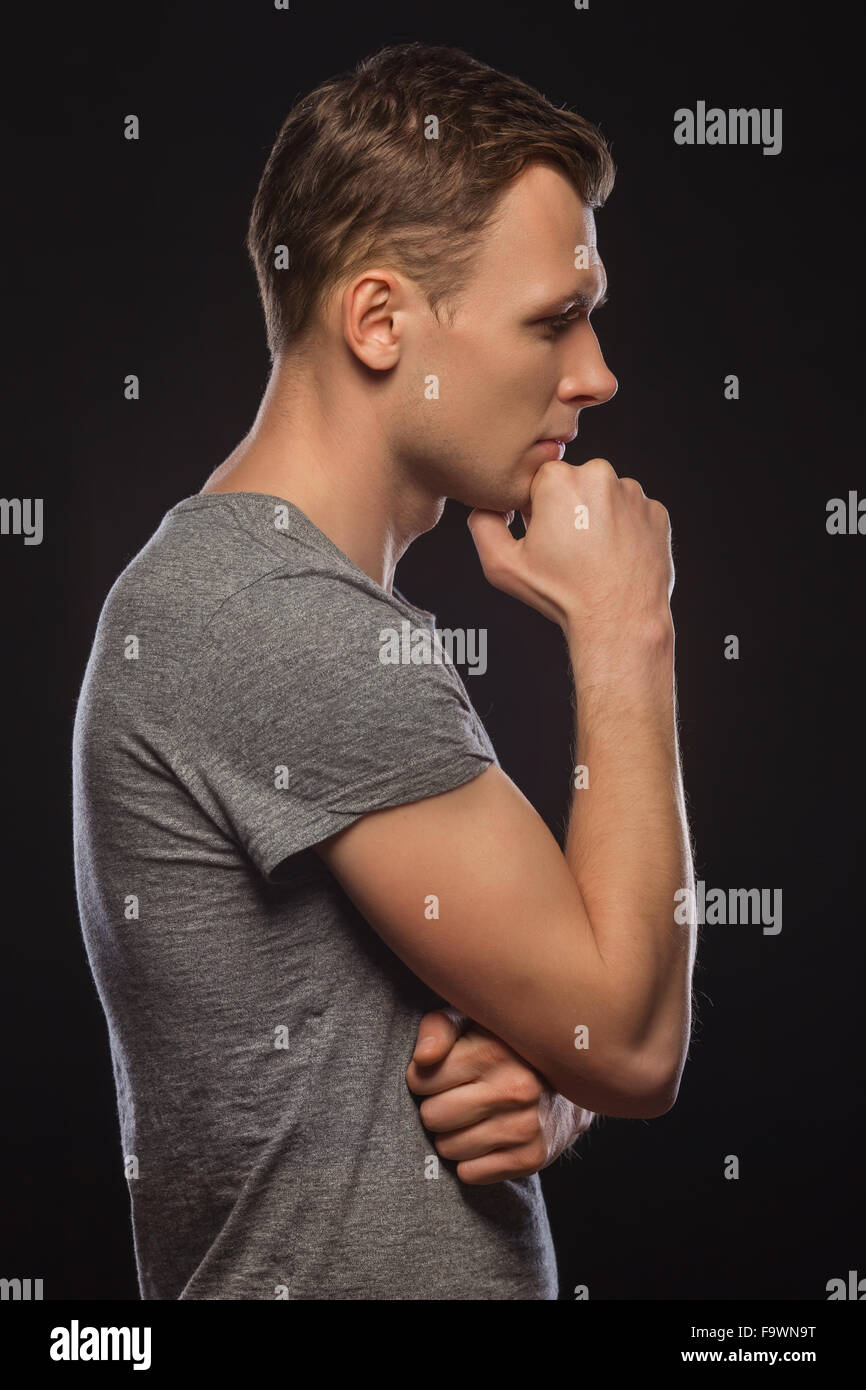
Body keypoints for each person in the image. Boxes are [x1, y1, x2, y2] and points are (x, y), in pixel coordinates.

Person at [72, 40, 696, 1301]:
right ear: (377, 322)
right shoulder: (277, 621)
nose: (595, 374)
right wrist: (627, 626)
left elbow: (578, 1027)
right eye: (553, 320)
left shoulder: (273, 601)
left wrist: (550, 1082)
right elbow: (634, 1036)